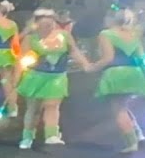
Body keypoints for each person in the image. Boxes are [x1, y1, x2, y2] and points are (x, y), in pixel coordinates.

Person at [16, 8, 92, 149]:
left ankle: (51, 135)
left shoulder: (64, 36)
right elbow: (21, 60)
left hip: (57, 77)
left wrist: (85, 64)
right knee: (34, 109)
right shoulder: (30, 39)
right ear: (36, 24)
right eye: (45, 25)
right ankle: (27, 137)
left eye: (51, 24)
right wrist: (17, 78)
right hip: (36, 77)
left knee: (52, 105)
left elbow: (74, 50)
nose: (48, 28)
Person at [89, 8, 145, 153]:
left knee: (118, 110)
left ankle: (132, 143)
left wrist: (92, 67)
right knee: (124, 106)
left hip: (116, 74)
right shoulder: (133, 35)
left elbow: (108, 58)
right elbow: (142, 58)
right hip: (134, 73)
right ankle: (138, 134)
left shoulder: (106, 34)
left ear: (111, 20)